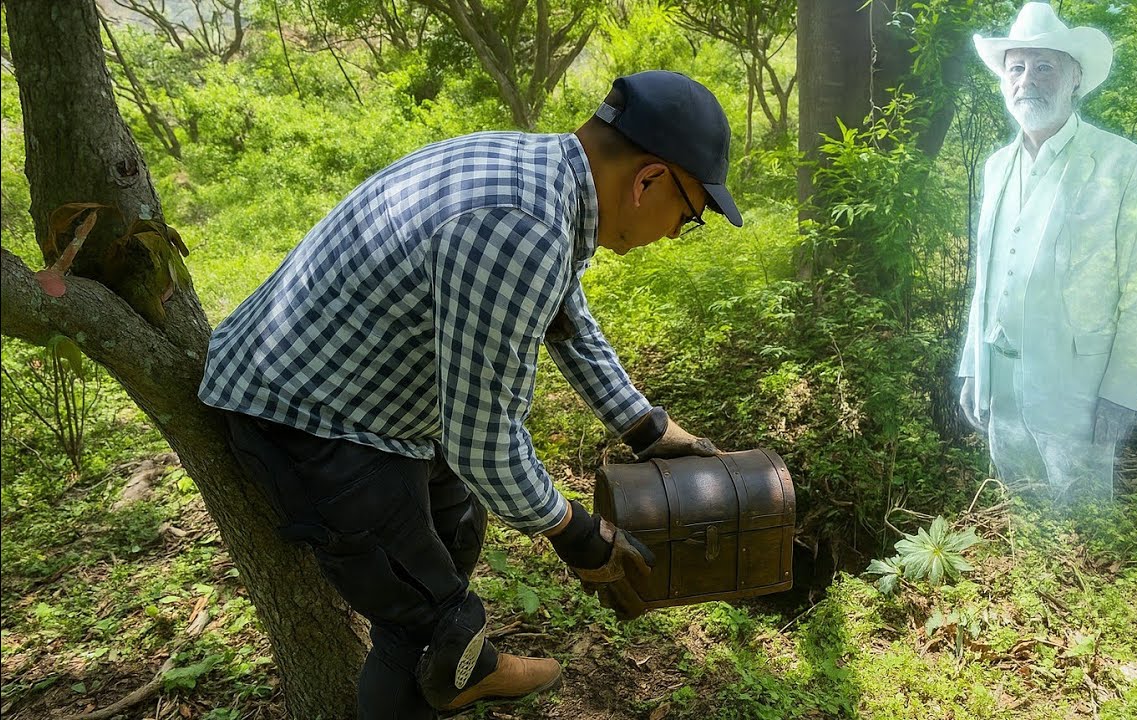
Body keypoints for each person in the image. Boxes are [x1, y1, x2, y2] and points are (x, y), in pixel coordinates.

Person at [199, 70, 743, 718]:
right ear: (648, 179)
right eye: (690, 214)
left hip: (357, 388)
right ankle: (446, 656)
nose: (678, 232)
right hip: (301, 412)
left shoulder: (545, 178)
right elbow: (484, 445)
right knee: (426, 618)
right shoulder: (525, 226)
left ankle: (468, 667)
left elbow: (566, 319)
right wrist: (575, 532)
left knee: (458, 522)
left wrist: (646, 427)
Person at [959, 2, 1137, 501]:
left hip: (1079, 391)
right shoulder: (995, 166)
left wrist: (1122, 390)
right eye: (1017, 67)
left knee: (1083, 532)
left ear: (1075, 78)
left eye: (1045, 66)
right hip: (1001, 383)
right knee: (1018, 520)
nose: (1027, 79)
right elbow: (986, 275)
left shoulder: (1125, 165)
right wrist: (972, 367)